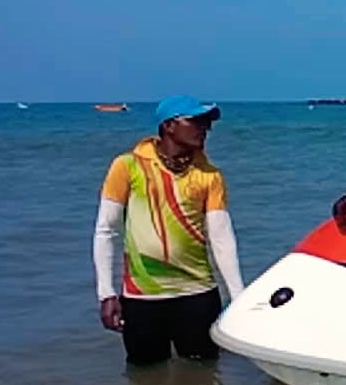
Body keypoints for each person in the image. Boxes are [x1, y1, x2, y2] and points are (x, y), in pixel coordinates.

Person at [93, 95, 245, 364]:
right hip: (142, 297)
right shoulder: (128, 166)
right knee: (144, 382)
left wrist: (238, 297)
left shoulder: (210, 176)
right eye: (196, 121)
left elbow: (221, 238)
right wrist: (106, 293)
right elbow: (106, 231)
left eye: (207, 122)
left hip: (197, 295)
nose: (205, 128)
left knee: (204, 379)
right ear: (169, 126)